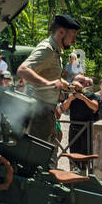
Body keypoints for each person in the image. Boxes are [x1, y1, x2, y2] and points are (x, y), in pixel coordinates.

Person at [16, 13, 81, 142]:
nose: (73, 40)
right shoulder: (47, 49)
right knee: (38, 156)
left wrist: (69, 86)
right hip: (37, 113)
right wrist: (47, 83)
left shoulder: (56, 51)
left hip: (46, 112)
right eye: (73, 35)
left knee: (49, 154)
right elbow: (23, 70)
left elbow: (53, 77)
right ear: (62, 32)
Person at [62, 82, 100, 163]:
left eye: (76, 85)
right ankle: (72, 173)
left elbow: (95, 107)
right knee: (73, 155)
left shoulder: (91, 95)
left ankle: (84, 174)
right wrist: (70, 99)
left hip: (87, 129)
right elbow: (64, 108)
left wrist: (83, 98)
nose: (73, 87)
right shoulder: (71, 96)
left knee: (86, 157)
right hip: (74, 128)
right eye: (72, 85)